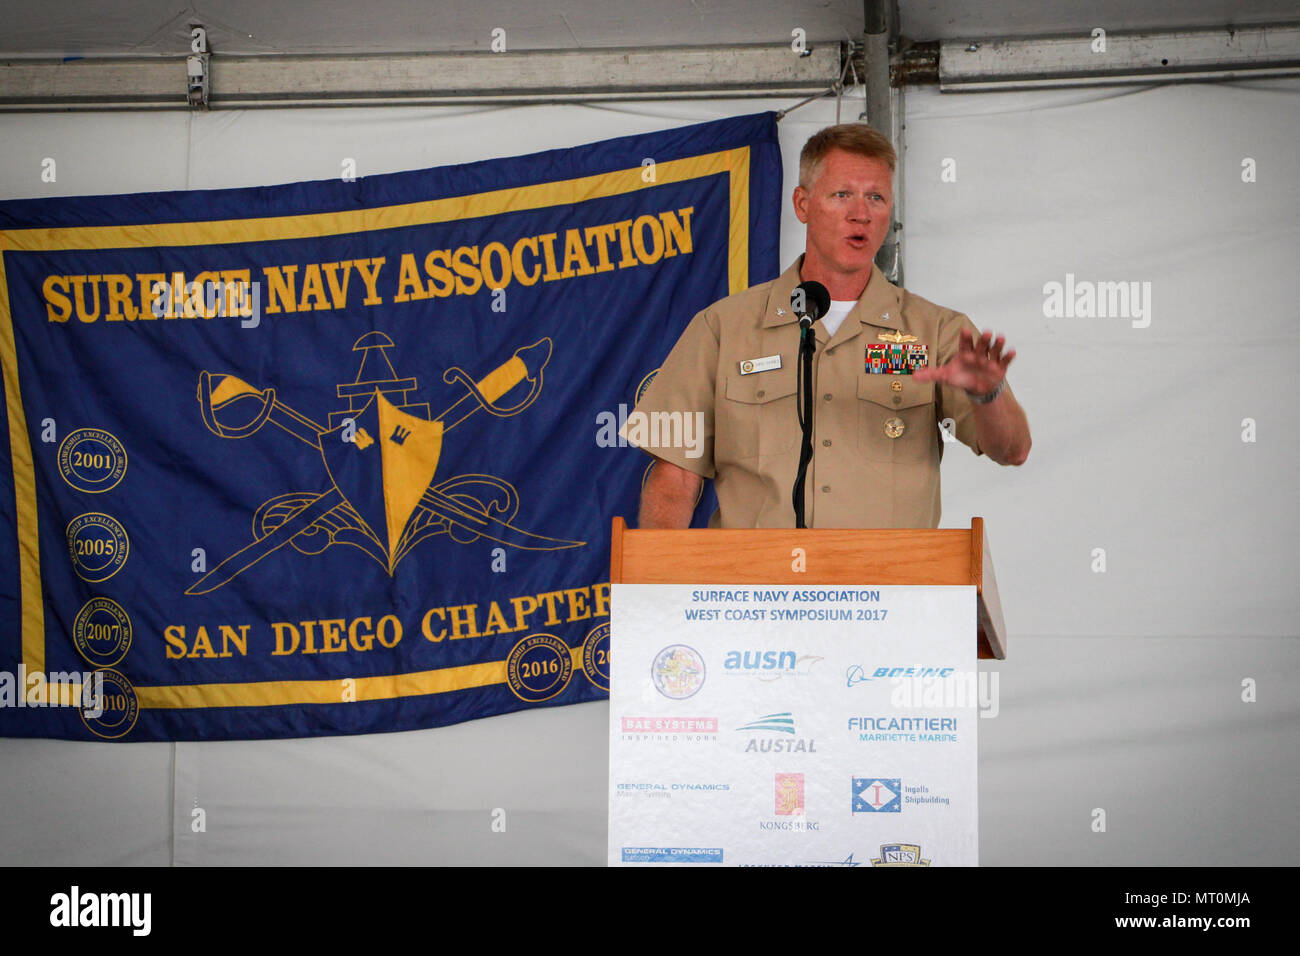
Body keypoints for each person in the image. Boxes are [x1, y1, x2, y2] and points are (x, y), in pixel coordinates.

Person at [629, 123, 1031, 530]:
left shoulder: (938, 332)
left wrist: (988, 394)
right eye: (843, 195)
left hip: (892, 586)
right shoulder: (723, 328)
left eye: (876, 197)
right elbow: (675, 477)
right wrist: (658, 591)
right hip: (756, 587)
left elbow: (1011, 451)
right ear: (802, 204)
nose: (861, 213)